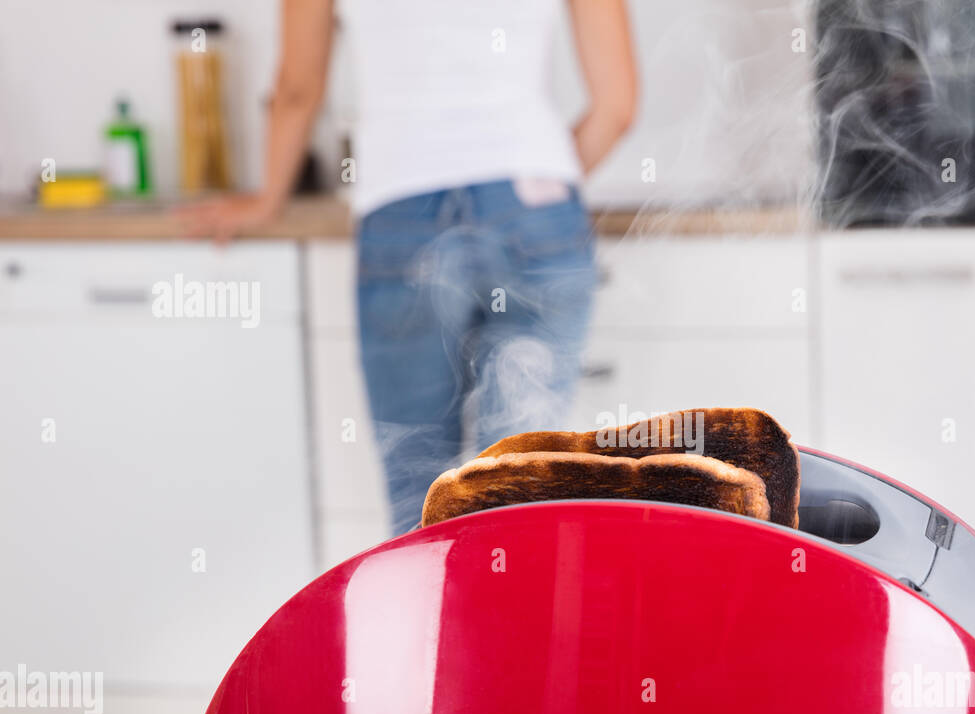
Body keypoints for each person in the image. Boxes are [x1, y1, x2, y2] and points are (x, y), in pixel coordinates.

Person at [184, 0, 637, 534]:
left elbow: (298, 87)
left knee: (421, 508)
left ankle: (434, 614)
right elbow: (618, 107)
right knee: (523, 502)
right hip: (536, 209)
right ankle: (519, 609)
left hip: (403, 211)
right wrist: (535, 196)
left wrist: (266, 200)